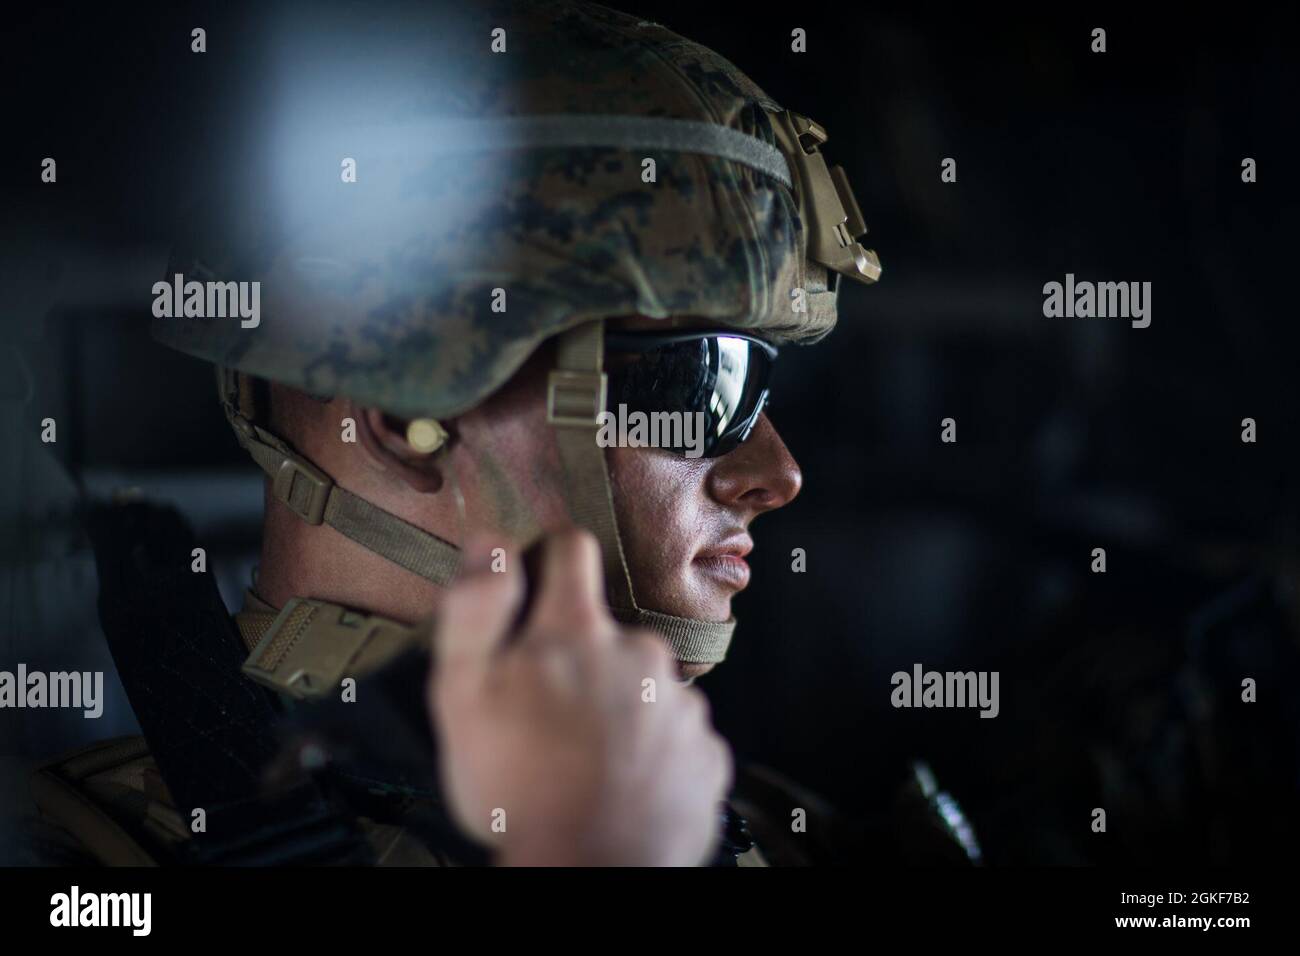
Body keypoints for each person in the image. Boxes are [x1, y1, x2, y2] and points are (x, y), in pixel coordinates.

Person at [24, 0, 973, 867]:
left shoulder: (749, 814)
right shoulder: (87, 861)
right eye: (706, 380)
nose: (777, 473)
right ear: (405, 418)